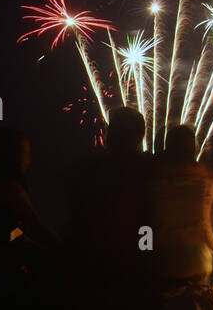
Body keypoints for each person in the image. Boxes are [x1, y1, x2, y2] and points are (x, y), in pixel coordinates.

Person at [67, 106, 156, 285]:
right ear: (139, 136)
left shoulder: (86, 168)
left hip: (92, 264)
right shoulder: (151, 167)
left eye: (113, 128)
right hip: (134, 264)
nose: (109, 132)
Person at [149, 124, 213, 287]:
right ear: (193, 148)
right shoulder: (209, 180)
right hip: (199, 258)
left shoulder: (157, 180)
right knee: (198, 304)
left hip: (164, 257)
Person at [0, 127, 59, 253]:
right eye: (25, 153)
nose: (29, 161)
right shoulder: (8, 188)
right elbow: (33, 226)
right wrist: (63, 250)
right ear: (13, 154)